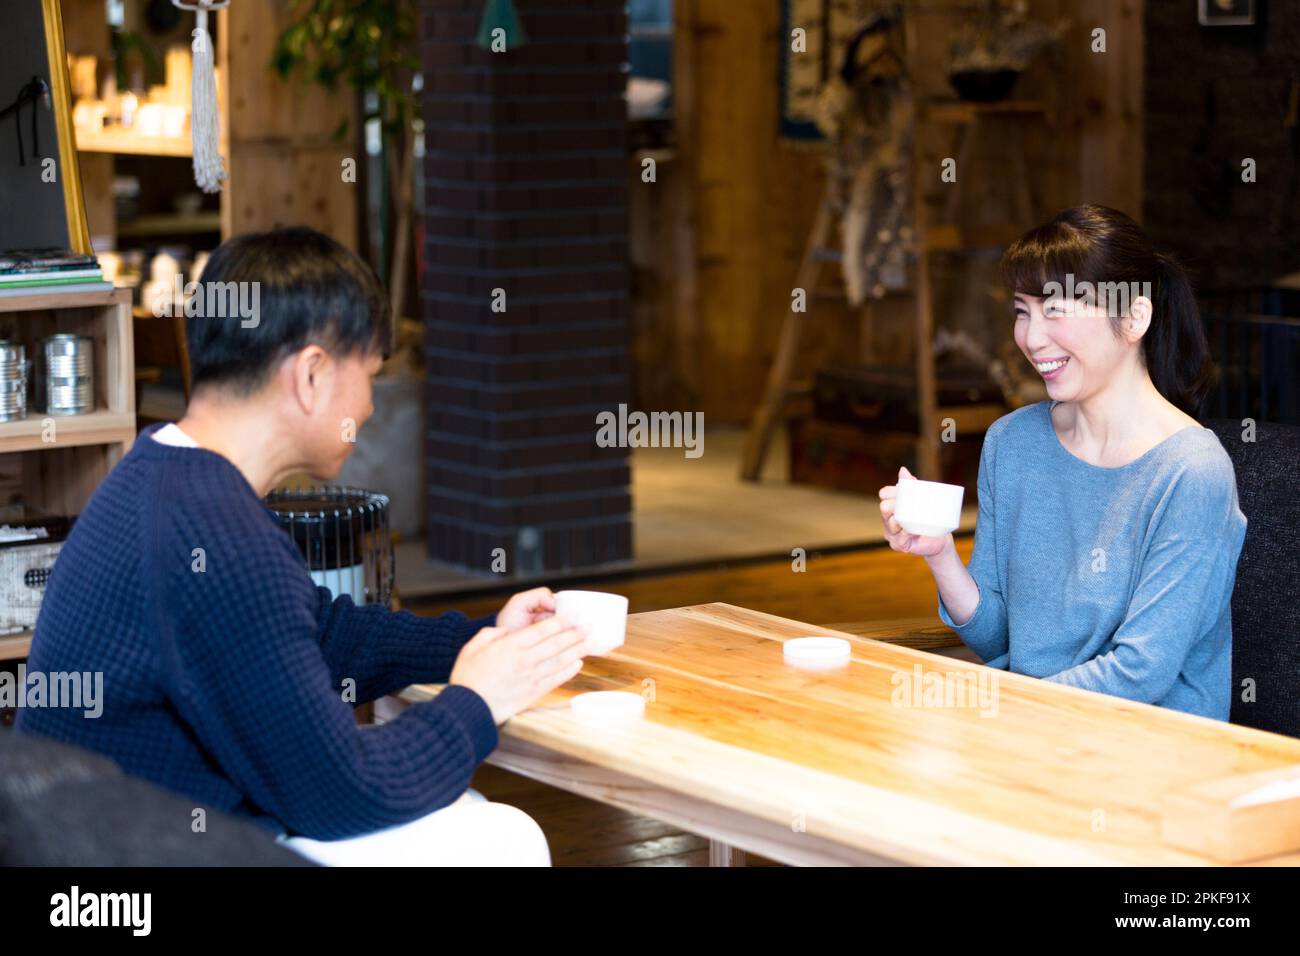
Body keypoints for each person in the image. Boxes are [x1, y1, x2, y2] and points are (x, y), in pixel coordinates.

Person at [17, 226, 588, 865]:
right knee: (498, 837)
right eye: (369, 374)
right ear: (312, 374)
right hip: (136, 866)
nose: (370, 405)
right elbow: (340, 792)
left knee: (468, 820)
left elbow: (319, 636)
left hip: (91, 850)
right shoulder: (218, 532)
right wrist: (478, 701)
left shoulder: (160, 472)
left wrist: (481, 641)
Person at [877, 204, 1246, 719]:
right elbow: (1000, 639)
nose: (1031, 338)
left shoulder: (1191, 470)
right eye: (1023, 311)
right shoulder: (1013, 442)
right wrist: (939, 554)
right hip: (1032, 730)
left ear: (1134, 316)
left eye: (1056, 309)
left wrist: (995, 710)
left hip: (1151, 755)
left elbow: (1140, 672)